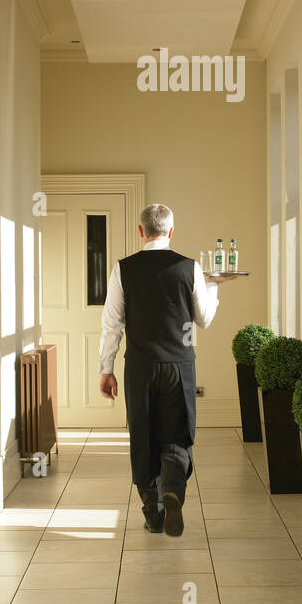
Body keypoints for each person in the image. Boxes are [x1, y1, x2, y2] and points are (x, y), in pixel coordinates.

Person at [98, 203, 237, 536]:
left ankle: (153, 514)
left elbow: (112, 324)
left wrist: (106, 368)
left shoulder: (123, 269)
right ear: (171, 231)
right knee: (176, 434)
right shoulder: (188, 268)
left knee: (143, 436)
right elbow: (203, 319)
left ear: (140, 231)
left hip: (140, 367)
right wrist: (213, 284)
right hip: (179, 365)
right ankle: (173, 488)